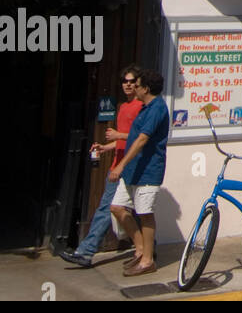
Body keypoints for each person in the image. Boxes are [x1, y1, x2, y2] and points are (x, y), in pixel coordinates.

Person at [57, 65, 144, 268]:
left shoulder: (141, 107)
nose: (128, 84)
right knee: (131, 209)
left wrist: (117, 137)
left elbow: (141, 137)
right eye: (125, 81)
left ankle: (86, 252)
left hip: (129, 166)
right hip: (118, 163)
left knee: (110, 208)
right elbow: (125, 140)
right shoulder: (123, 107)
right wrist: (106, 146)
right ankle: (148, 247)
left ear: (139, 83)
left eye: (132, 81)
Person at [109, 68, 169, 277]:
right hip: (134, 171)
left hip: (148, 170)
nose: (133, 86)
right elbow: (132, 137)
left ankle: (147, 260)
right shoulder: (146, 107)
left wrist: (120, 165)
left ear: (146, 88)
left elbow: (142, 140)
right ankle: (140, 248)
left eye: (138, 84)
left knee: (145, 214)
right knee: (117, 207)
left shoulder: (157, 108)